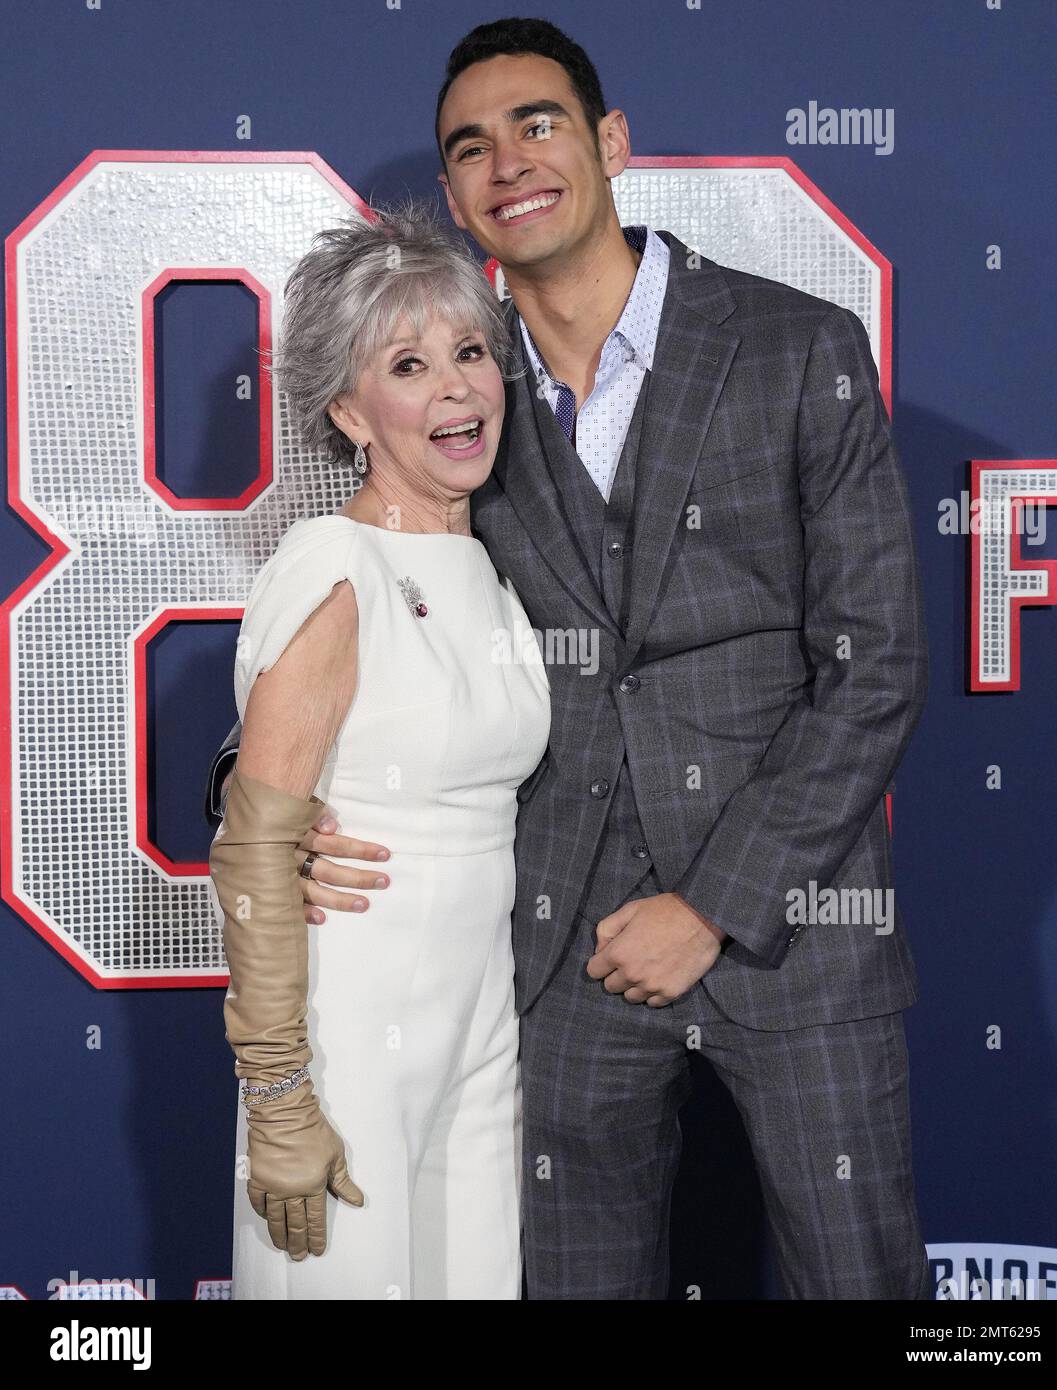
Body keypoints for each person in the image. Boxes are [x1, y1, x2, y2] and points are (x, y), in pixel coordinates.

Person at [208, 17, 931, 1300]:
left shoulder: (795, 348)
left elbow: (873, 664)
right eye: (470, 146)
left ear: (607, 142)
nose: (509, 163)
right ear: (452, 192)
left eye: (537, 123)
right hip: (558, 962)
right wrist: (258, 799)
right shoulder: (461, 388)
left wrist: (710, 905)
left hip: (789, 937)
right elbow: (367, 595)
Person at [207, 200, 550, 1300]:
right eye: (409, 364)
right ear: (349, 412)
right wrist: (280, 1098)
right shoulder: (331, 564)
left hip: (481, 1043)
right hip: (345, 1042)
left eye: (469, 351)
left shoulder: (497, 571)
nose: (456, 385)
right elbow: (257, 849)